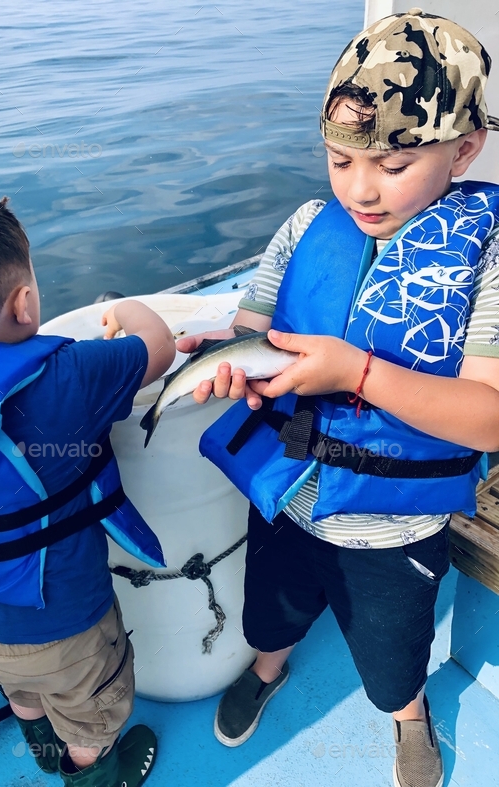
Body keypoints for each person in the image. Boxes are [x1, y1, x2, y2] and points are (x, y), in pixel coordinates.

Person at [177, 9, 499, 787]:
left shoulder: (487, 251)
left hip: (397, 522)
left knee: (393, 651)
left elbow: (488, 411)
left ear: (466, 149)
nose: (361, 188)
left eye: (392, 166)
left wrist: (355, 372)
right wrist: (224, 354)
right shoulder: (303, 226)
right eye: (339, 159)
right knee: (272, 610)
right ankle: (268, 666)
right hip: (286, 492)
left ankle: (407, 712)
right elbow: (255, 327)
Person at [0, 194, 176, 787]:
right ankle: (92, 772)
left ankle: (37, 741)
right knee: (91, 711)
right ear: (25, 301)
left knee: (21, 688)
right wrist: (125, 307)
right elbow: (157, 343)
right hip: (65, 627)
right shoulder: (66, 376)